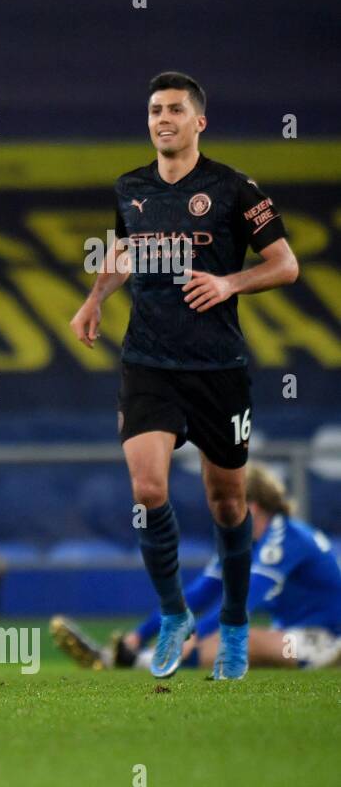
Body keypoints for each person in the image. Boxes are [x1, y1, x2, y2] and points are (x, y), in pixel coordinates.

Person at [70, 72, 299, 680]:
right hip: (148, 363)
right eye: (153, 110)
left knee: (228, 503)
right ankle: (173, 614)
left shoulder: (232, 188)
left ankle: (234, 624)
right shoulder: (130, 187)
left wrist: (229, 281)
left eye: (174, 110)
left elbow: (285, 264)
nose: (161, 119)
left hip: (218, 369)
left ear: (199, 122)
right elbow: (123, 251)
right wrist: (94, 299)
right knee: (147, 490)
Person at [52, 465, 341, 671]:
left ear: (249, 506)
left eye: (224, 501)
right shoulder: (244, 540)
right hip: (293, 633)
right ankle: (128, 657)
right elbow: (199, 593)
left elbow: (242, 603)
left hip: (326, 639)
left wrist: (195, 636)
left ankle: (128, 662)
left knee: (238, 640)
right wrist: (140, 633)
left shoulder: (286, 538)